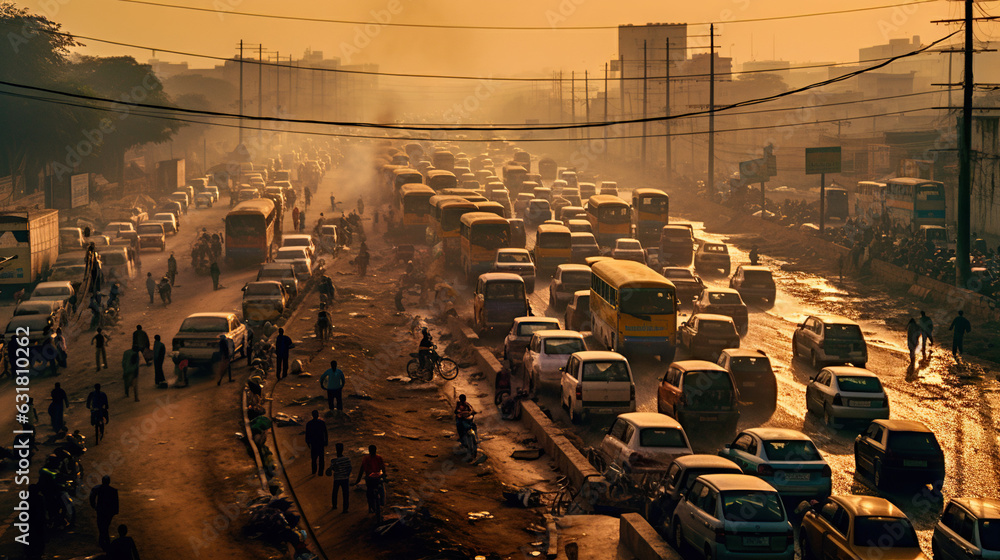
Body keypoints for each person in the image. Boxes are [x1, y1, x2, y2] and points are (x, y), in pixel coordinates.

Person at [89, 475, 119, 551]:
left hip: (101, 511)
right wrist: (115, 512)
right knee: (105, 526)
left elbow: (92, 497)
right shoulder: (113, 490)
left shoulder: (98, 488)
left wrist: (94, 506)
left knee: (101, 526)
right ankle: (105, 542)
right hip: (109, 512)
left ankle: (103, 542)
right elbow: (116, 503)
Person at [354, 445, 386, 515]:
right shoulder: (379, 458)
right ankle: (382, 503)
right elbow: (383, 469)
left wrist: (358, 480)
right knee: (381, 490)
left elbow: (361, 470)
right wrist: (384, 477)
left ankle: (370, 507)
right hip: (377, 478)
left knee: (369, 492)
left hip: (369, 479)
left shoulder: (365, 458)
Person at [326, 443, 351, 512]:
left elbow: (329, 471)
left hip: (337, 478)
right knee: (345, 494)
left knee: (335, 492)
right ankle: (345, 509)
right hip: (345, 478)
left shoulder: (334, 461)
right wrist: (347, 475)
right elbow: (349, 468)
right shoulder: (347, 459)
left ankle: (334, 505)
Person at [305, 410, 328, 476]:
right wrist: (326, 441)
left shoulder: (309, 423)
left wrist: (308, 442)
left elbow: (307, 434)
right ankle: (320, 472)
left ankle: (314, 471)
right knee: (321, 458)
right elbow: (325, 433)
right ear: (318, 415)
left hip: (313, 443)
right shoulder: (321, 423)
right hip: (320, 442)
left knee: (314, 458)